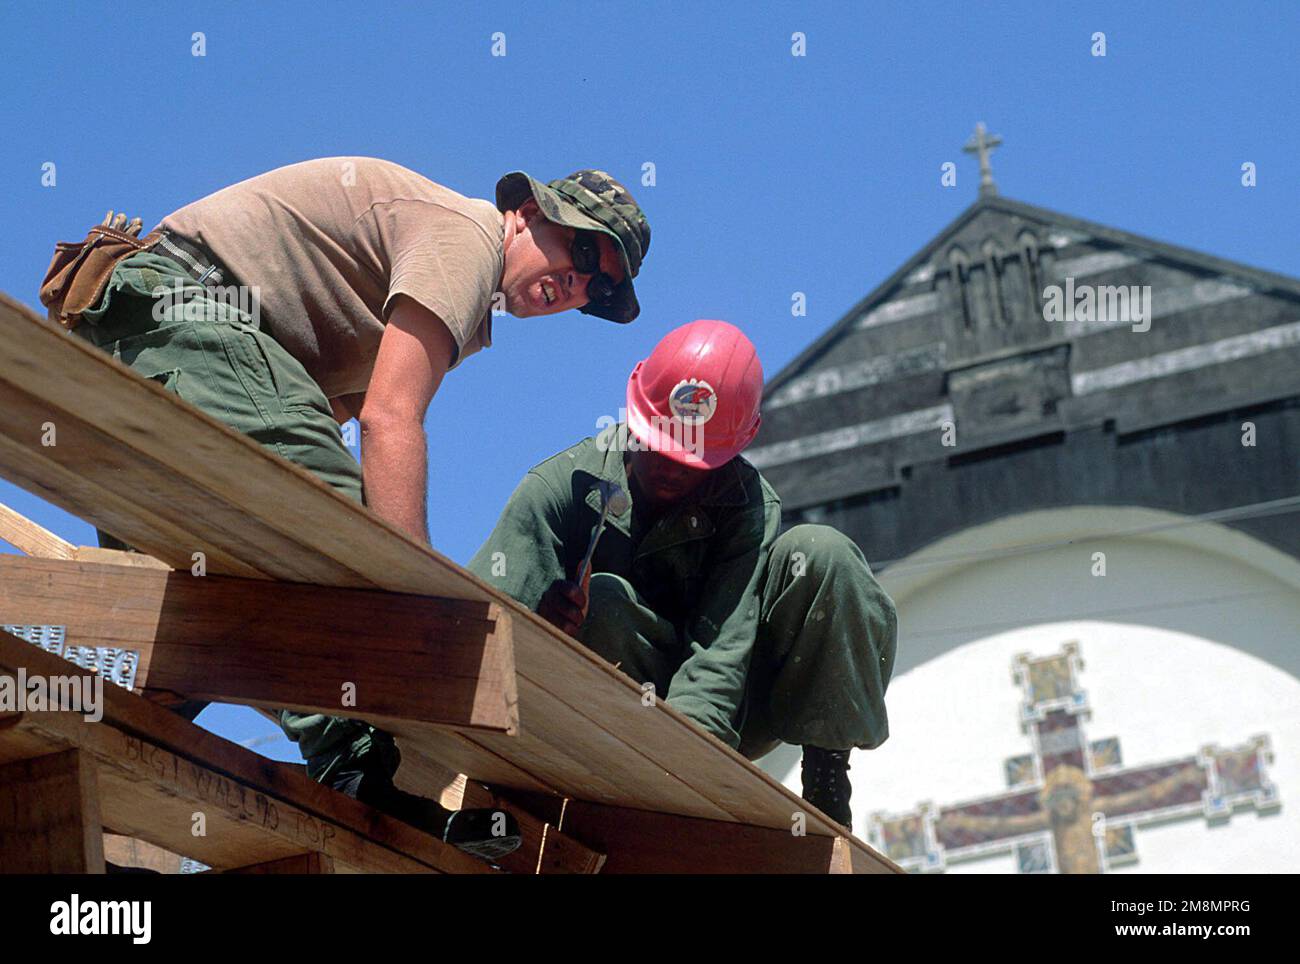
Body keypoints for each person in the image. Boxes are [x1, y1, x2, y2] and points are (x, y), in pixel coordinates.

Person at [40, 158, 652, 858]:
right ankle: (357, 770)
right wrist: (418, 613)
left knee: (192, 625)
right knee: (330, 531)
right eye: (582, 253)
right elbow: (388, 421)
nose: (578, 284)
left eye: (599, 288)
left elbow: (325, 414)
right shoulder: (467, 241)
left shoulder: (448, 285)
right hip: (179, 314)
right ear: (531, 213)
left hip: (142, 337)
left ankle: (97, 791)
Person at [468, 320, 896, 829]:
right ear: (635, 412)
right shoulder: (562, 488)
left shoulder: (748, 507)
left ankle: (826, 778)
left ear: (739, 443)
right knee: (604, 601)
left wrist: (686, 786)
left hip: (725, 713)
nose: (671, 469)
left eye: (693, 458)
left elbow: (719, 660)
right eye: (659, 444)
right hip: (591, 715)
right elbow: (475, 626)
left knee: (823, 554)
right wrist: (539, 634)